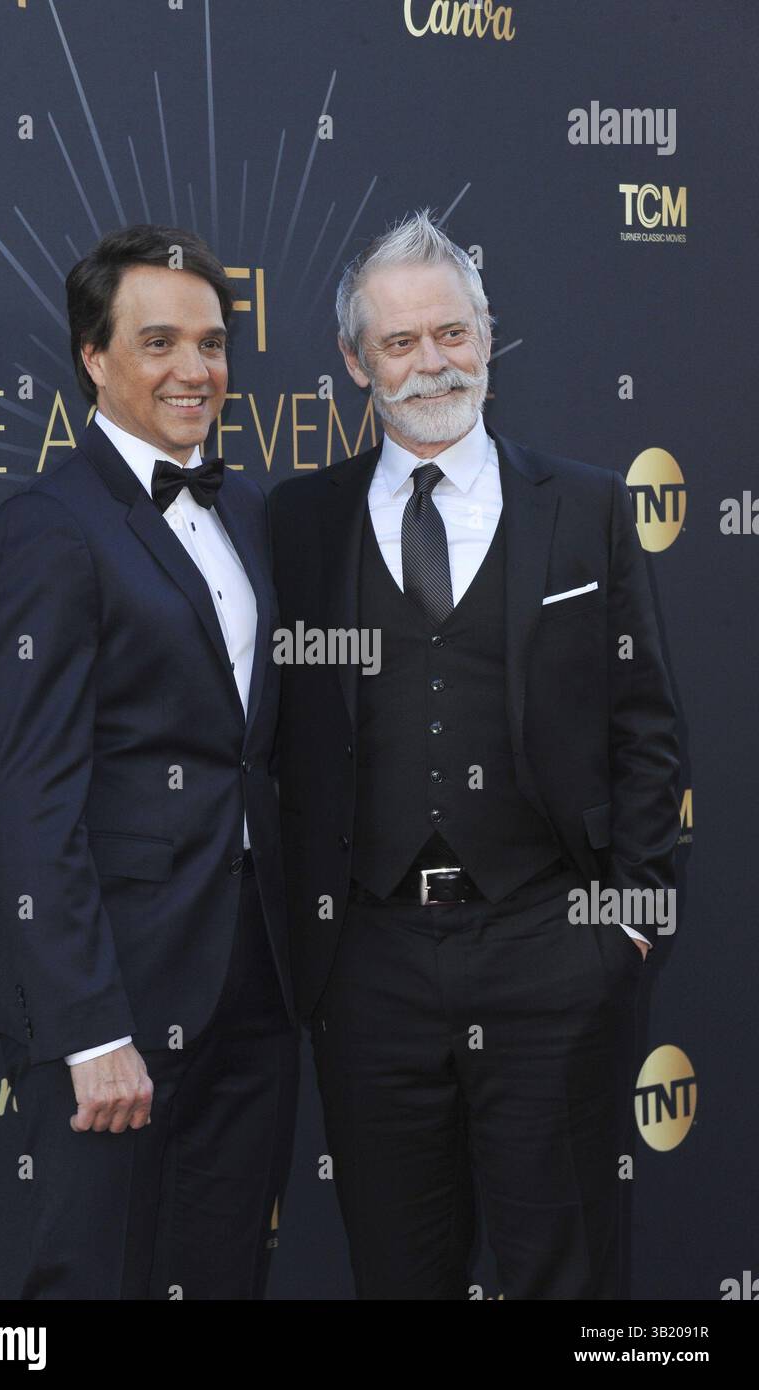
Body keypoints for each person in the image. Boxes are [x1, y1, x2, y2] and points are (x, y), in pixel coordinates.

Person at [267, 210, 681, 1300]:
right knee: (400, 1271)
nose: (429, 362)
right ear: (357, 363)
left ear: (488, 339)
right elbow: (272, 749)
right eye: (399, 343)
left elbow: (649, 727)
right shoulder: (300, 525)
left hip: (550, 942)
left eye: (450, 332)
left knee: (567, 1270)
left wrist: (630, 923)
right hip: (372, 965)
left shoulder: (587, 509)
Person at [0, 224, 298, 1300]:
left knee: (220, 1277)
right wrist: (89, 1027)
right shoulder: (51, 527)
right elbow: (34, 796)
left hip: (252, 982)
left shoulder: (245, 508)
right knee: (95, 1285)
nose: (194, 370)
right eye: (158, 342)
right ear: (94, 358)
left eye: (210, 344)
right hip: (120, 994)